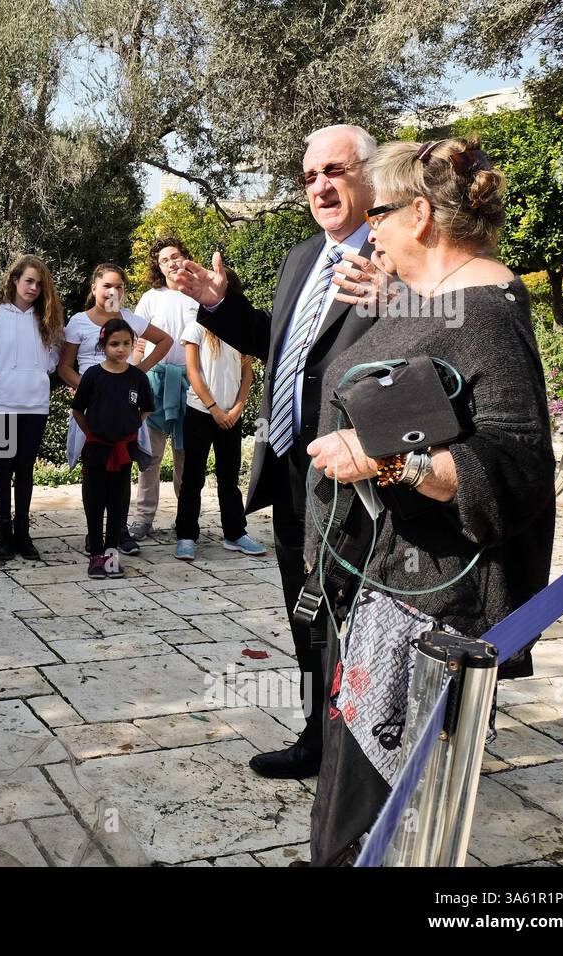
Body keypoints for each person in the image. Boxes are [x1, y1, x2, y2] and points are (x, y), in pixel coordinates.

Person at [302, 136, 554, 865]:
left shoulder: (487, 310)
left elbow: (515, 466)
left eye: (376, 214)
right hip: (379, 583)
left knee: (383, 807)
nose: (368, 229)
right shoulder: (439, 297)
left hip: (426, 606)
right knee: (352, 787)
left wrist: (387, 462)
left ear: (418, 215)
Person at [174, 124, 380, 779]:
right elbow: (281, 344)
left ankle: (369, 748)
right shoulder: (300, 259)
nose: (320, 185)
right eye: (310, 175)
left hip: (361, 479)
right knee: (308, 611)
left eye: (335, 171)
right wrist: (219, 305)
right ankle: (319, 739)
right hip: (295, 468)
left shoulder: (392, 258)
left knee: (361, 616)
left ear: (371, 177)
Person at [58, 262, 174, 555]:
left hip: (126, 407)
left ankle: (120, 530)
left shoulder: (130, 320)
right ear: (94, 287)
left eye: (119, 286)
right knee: (95, 472)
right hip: (92, 410)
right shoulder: (78, 322)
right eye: (107, 285)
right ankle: (94, 533)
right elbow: (63, 366)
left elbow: (165, 341)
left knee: (123, 469)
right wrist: (87, 386)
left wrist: (140, 372)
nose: (113, 291)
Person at [0, 253, 63, 560]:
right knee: (4, 466)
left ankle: (23, 533)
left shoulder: (45, 317)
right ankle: (3, 533)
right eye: (28, 281)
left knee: (25, 469)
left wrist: (42, 369)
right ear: (14, 281)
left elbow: (57, 350)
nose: (33, 287)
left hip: (35, 404)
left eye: (38, 283)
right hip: (5, 403)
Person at [173, 301, 265, 559]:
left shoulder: (242, 332)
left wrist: (236, 409)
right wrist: (214, 409)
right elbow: (192, 372)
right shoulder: (196, 329)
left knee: (229, 478)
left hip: (231, 416)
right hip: (200, 413)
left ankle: (235, 534)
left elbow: (247, 374)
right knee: (193, 477)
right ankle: (187, 535)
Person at [71, 317, 155, 579]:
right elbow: (77, 410)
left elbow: (145, 410)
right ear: (103, 345)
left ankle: (111, 555)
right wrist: (92, 434)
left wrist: (128, 430)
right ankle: (95, 554)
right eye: (114, 343)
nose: (121, 349)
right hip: (97, 450)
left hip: (123, 451)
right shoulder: (93, 376)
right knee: (95, 503)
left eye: (126, 343)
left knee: (118, 505)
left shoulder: (138, 378)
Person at [128, 237, 196, 540]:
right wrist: (135, 375)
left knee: (186, 455)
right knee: (151, 455)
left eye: (176, 256)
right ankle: (143, 517)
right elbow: (138, 341)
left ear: (184, 259)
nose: (171, 262)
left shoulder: (196, 295)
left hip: (190, 382)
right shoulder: (151, 298)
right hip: (155, 383)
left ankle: (187, 519)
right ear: (158, 265)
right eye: (165, 258)